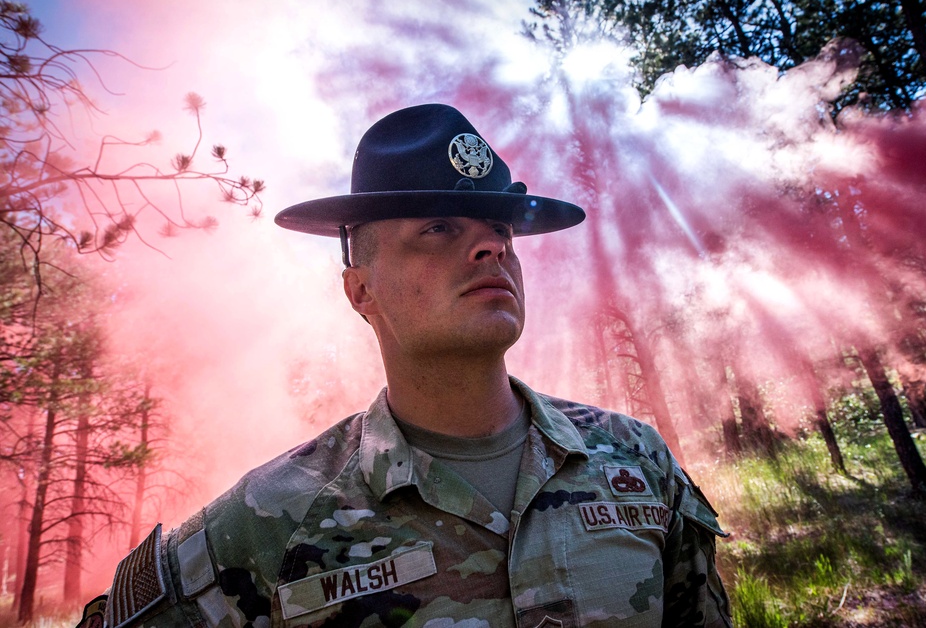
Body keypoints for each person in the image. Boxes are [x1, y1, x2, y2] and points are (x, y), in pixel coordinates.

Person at [80, 104, 732, 628]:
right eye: (440, 228)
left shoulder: (635, 461)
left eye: (500, 229)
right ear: (361, 290)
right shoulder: (268, 518)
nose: (490, 248)